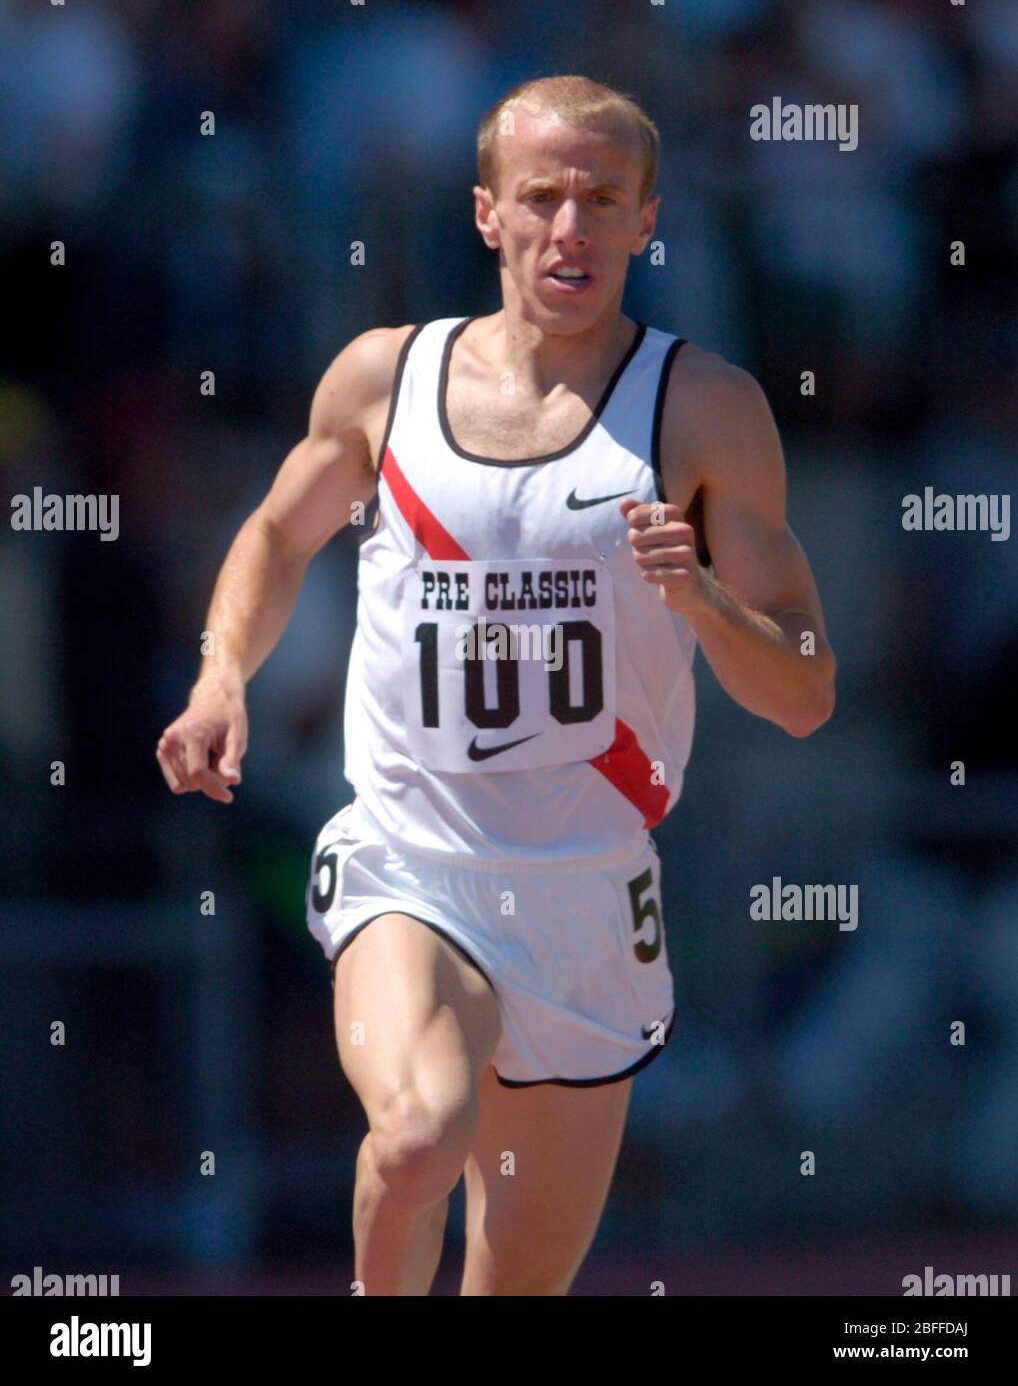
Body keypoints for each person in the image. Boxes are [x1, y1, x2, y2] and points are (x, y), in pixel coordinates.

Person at [156, 75, 836, 1296]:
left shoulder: (706, 412)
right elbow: (273, 535)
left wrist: (703, 605)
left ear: (645, 221)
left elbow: (801, 694)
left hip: (586, 897)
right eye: (540, 198)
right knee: (417, 1136)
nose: (568, 228)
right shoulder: (384, 380)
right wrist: (220, 684)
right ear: (486, 214)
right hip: (411, 861)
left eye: (600, 199)